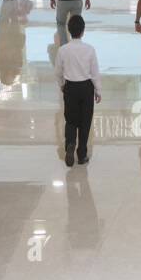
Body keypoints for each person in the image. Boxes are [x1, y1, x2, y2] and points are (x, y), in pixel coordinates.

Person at [54, 15, 101, 167]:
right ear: (83, 31)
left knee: (71, 119)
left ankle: (70, 143)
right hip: (86, 88)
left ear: (69, 30)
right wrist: (98, 91)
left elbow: (58, 71)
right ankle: (81, 154)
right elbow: (94, 73)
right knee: (85, 122)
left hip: (70, 87)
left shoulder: (63, 50)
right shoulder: (90, 50)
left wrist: (62, 85)